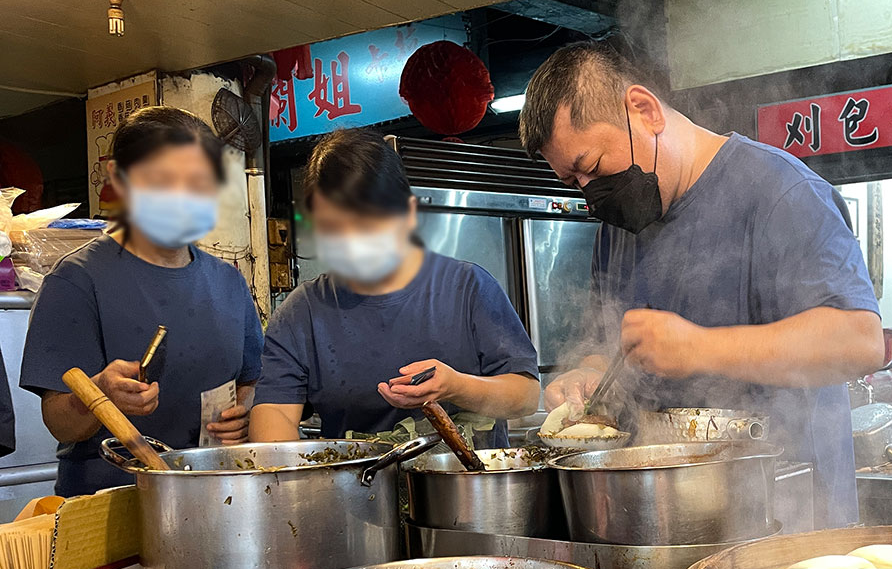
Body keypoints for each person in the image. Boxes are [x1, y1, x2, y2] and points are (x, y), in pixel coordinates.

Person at [519, 43, 884, 529]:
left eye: (591, 165)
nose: (589, 191)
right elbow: (615, 345)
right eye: (573, 180)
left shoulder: (781, 193)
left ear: (643, 110)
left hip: (788, 519)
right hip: (669, 514)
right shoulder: (620, 227)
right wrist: (587, 375)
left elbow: (858, 342)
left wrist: (700, 348)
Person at [20, 107, 263, 497]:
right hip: (111, 508)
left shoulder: (227, 281)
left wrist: (248, 412)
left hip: (216, 495)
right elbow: (57, 420)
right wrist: (99, 394)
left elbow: (253, 379)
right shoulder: (77, 280)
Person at [248, 128, 539, 445]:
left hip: (467, 490)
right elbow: (273, 416)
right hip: (359, 492)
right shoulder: (302, 313)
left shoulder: (468, 288)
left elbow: (524, 396)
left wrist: (456, 386)